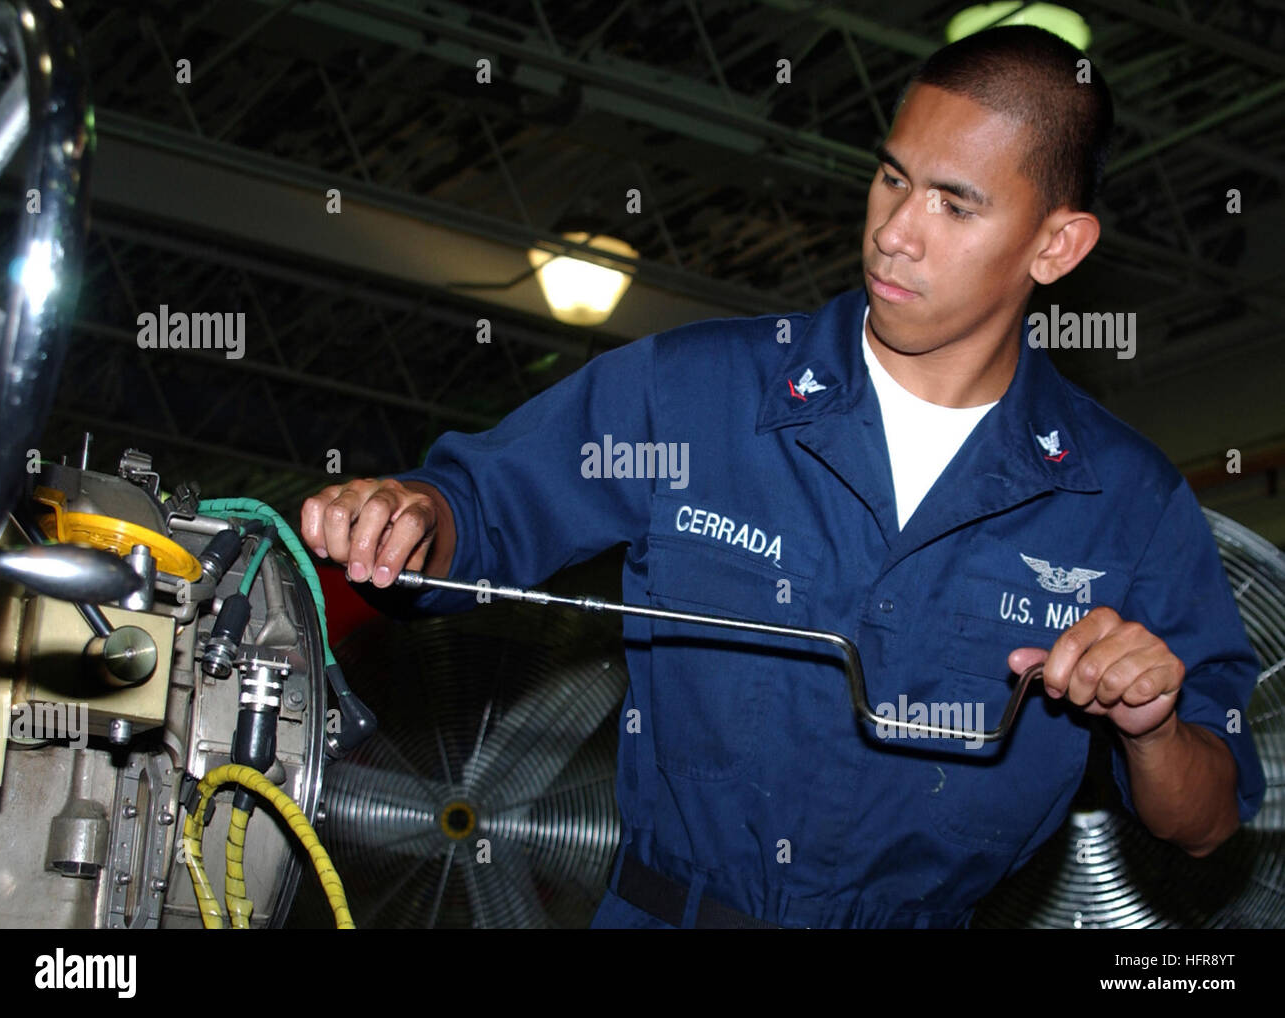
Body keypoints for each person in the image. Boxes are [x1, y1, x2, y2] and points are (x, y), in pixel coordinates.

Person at [300, 25, 1264, 929]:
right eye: (893, 179)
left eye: (953, 203)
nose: (895, 232)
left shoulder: (1125, 505)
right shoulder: (695, 393)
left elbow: (1208, 819)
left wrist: (1153, 728)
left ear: (1056, 245)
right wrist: (412, 512)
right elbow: (481, 509)